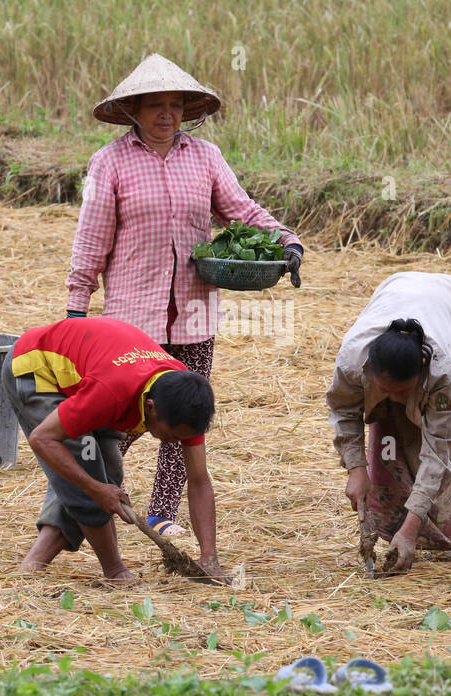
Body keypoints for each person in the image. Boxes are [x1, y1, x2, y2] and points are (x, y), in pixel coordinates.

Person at [66, 53, 305, 539]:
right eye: (156, 106)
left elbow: (240, 211)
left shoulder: (205, 157)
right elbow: (91, 240)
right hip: (133, 319)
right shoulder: (109, 163)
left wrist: (287, 240)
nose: (167, 115)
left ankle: (162, 514)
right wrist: (77, 306)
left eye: (175, 106)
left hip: (194, 312)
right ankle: (81, 502)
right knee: (120, 423)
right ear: (134, 109)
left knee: (182, 419)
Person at [1, 315, 225, 583]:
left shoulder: (186, 402)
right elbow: (43, 439)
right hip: (36, 368)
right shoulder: (112, 391)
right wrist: (95, 488)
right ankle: (115, 571)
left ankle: (31, 568)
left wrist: (208, 558)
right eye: (170, 435)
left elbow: (199, 481)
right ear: (150, 408)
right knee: (91, 479)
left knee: (108, 474)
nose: (175, 443)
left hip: (90, 377)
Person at [326, 272, 451, 577]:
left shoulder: (446, 371)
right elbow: (343, 410)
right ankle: (390, 538)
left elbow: (438, 452)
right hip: (398, 287)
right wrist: (356, 469)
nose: (392, 397)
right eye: (383, 389)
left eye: (401, 391)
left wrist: (411, 527)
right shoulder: (353, 359)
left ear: (422, 371)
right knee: (389, 432)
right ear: (369, 372)